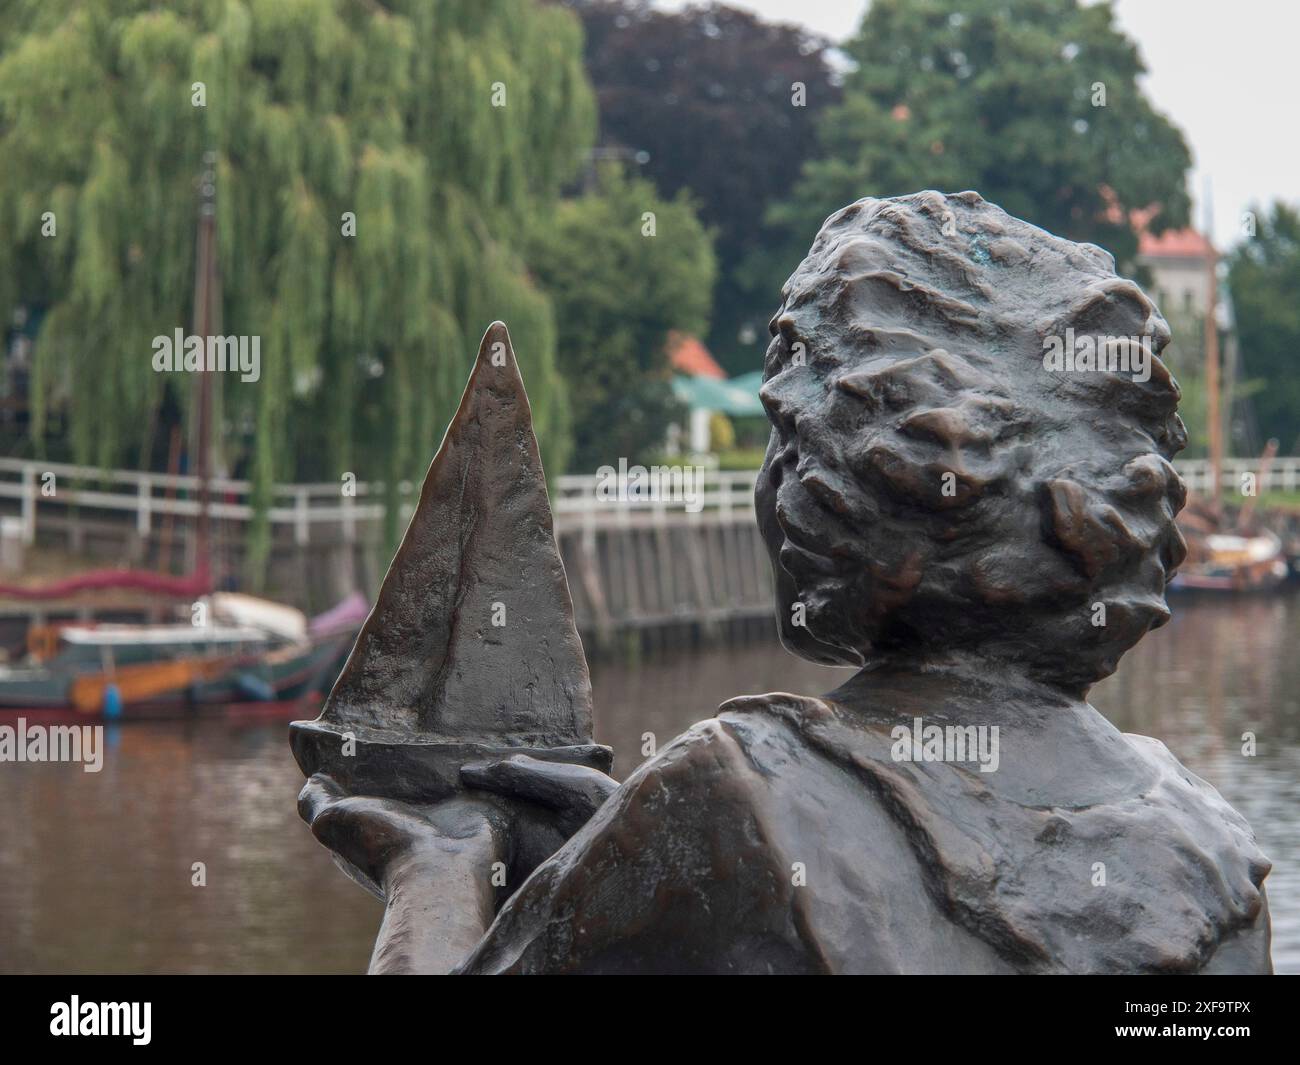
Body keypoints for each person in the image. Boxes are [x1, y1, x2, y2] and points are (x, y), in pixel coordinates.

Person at [299, 191, 1271, 974]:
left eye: (783, 438)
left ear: (843, 484)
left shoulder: (737, 797)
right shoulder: (1208, 844)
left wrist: (432, 877)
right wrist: (625, 857)